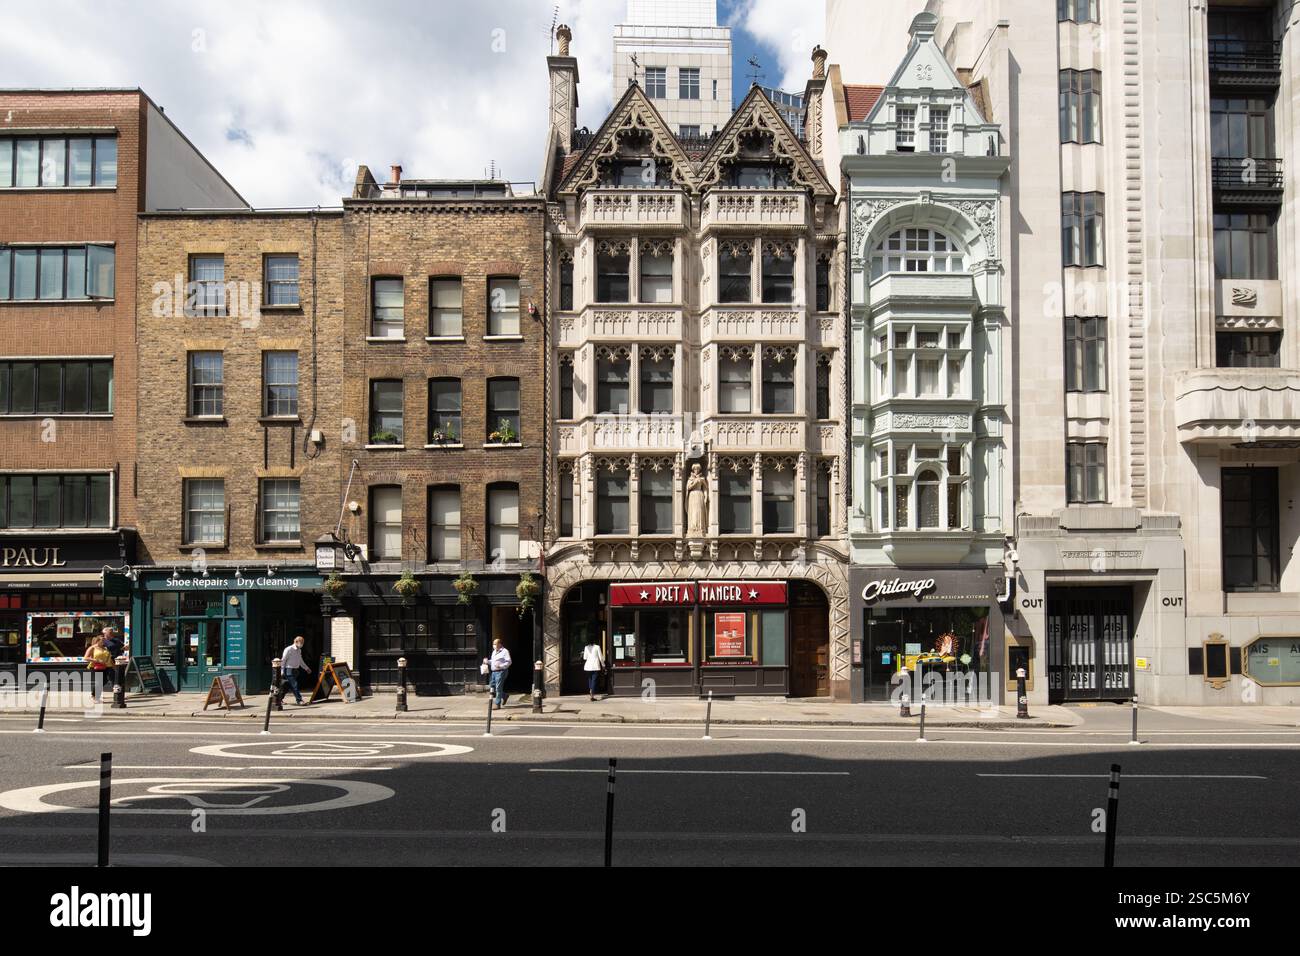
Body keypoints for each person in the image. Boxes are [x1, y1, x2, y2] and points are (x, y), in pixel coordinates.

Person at [279, 635, 313, 705]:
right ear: (296, 642)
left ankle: (279, 699)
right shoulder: (288, 649)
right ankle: (299, 700)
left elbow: (300, 661)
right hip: (288, 669)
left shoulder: (299, 650)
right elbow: (283, 660)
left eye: (303, 642)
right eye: (301, 642)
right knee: (295, 685)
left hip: (295, 670)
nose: (302, 644)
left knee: (287, 686)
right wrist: (282, 671)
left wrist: (306, 668)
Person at [84, 635, 113, 702]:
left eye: (105, 641)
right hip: (95, 667)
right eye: (103, 640)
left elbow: (109, 658)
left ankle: (96, 696)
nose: (105, 642)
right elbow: (86, 658)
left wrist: (113, 666)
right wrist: (97, 660)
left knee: (104, 680)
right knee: (99, 681)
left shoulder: (105, 648)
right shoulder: (92, 648)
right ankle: (94, 696)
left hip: (105, 666)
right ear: (98, 641)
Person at [485, 638, 511, 709]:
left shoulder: (505, 651)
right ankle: (504, 695)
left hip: (501, 671)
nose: (494, 645)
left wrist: (501, 666)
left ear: (499, 644)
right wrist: (487, 661)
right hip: (494, 672)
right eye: (493, 644)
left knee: (498, 687)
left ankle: (497, 704)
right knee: (492, 686)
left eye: (495, 644)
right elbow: (493, 661)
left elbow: (509, 662)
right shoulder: (494, 652)